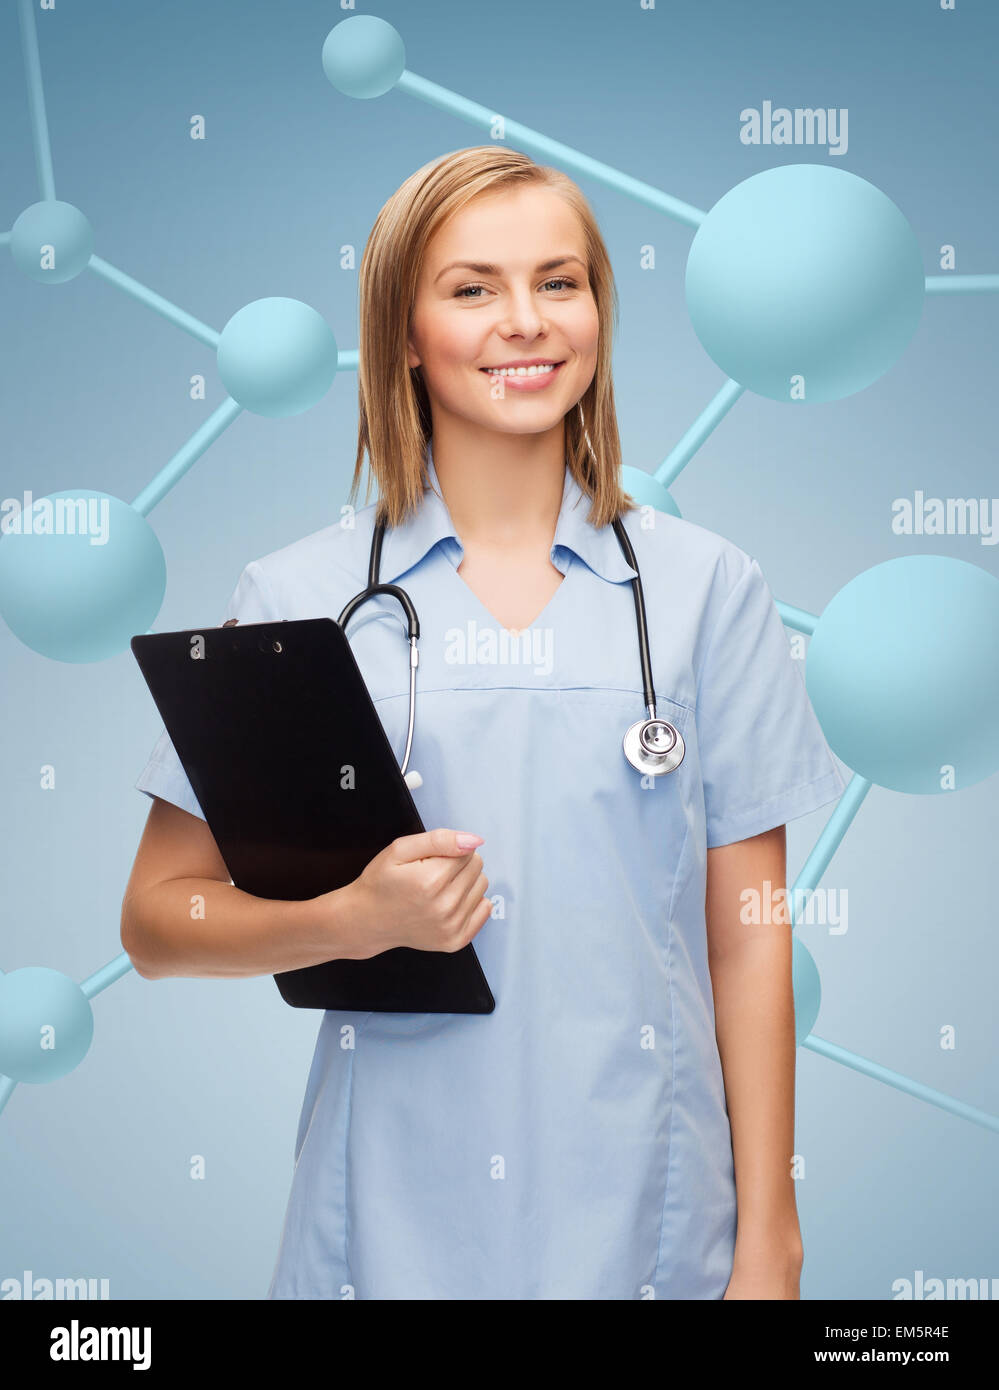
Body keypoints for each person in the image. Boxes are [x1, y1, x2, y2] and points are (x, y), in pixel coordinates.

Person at [121, 145, 845, 1301]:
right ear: (404, 334)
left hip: (654, 1213)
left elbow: (750, 936)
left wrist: (774, 1239)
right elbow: (160, 920)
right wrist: (348, 919)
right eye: (473, 288)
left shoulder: (707, 589)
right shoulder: (297, 597)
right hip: (384, 1215)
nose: (527, 321)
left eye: (561, 282)